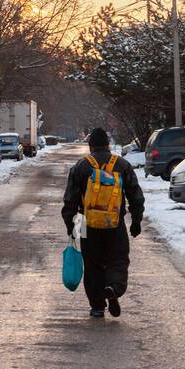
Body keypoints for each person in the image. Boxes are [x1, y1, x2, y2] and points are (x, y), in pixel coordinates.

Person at [61, 127, 144, 318]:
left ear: (90, 147)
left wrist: (71, 227)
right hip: (115, 223)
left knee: (92, 265)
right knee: (118, 260)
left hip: (86, 223)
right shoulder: (122, 165)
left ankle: (97, 306)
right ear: (107, 145)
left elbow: (70, 200)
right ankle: (113, 287)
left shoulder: (81, 166)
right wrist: (136, 221)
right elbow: (136, 196)